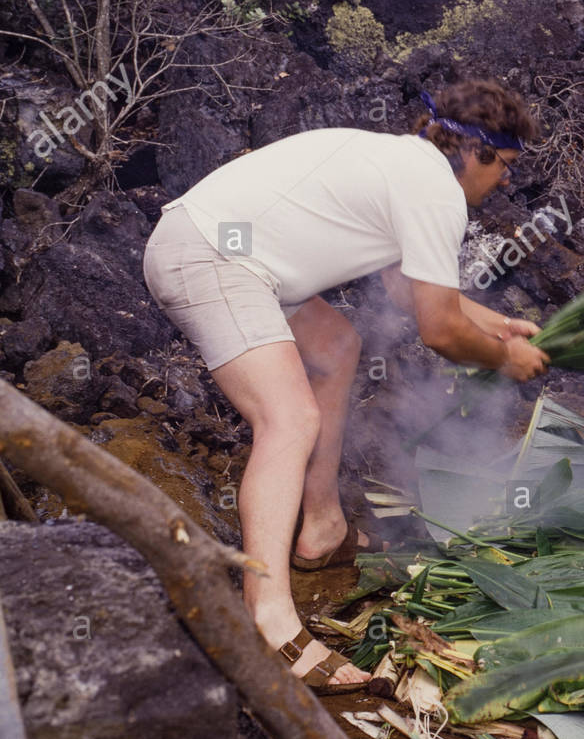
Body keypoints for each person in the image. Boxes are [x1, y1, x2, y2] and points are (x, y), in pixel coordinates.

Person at [142, 80, 549, 694]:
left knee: (336, 348)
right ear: (477, 152)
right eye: (506, 169)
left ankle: (322, 528)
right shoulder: (437, 191)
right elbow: (438, 330)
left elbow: (403, 291)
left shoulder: (404, 163)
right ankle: (269, 617)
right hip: (210, 257)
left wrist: (498, 325)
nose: (506, 185)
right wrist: (504, 359)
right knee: (289, 419)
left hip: (227, 250)